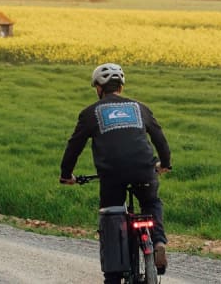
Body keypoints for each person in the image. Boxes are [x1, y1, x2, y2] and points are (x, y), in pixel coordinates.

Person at [60, 63, 172, 281]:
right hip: (144, 170)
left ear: (99, 88)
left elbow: (74, 146)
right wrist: (164, 164)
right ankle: (158, 241)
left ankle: (112, 276)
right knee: (151, 203)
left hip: (112, 176)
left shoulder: (90, 113)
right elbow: (160, 138)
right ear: (121, 87)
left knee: (111, 217)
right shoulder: (140, 108)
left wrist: (66, 175)